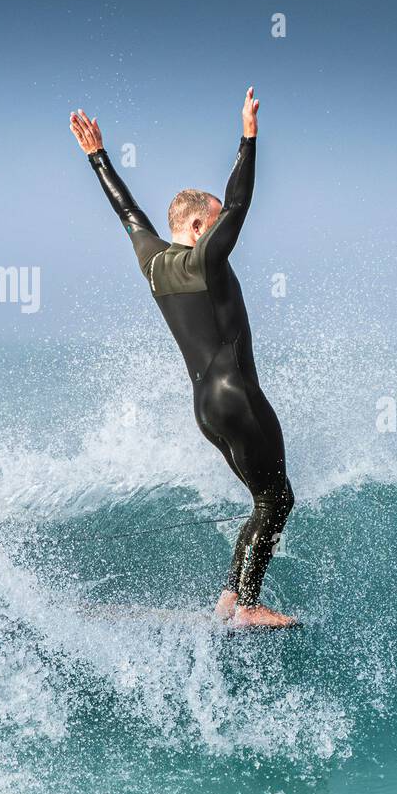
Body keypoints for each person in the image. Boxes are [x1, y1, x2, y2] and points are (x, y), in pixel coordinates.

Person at [69, 88, 296, 628]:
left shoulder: (151, 262)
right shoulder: (206, 260)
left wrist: (97, 157)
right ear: (197, 228)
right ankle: (246, 604)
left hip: (205, 409)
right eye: (212, 223)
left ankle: (230, 595)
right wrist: (248, 137)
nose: (222, 229)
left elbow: (128, 212)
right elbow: (239, 202)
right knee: (277, 500)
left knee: (266, 500)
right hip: (237, 396)